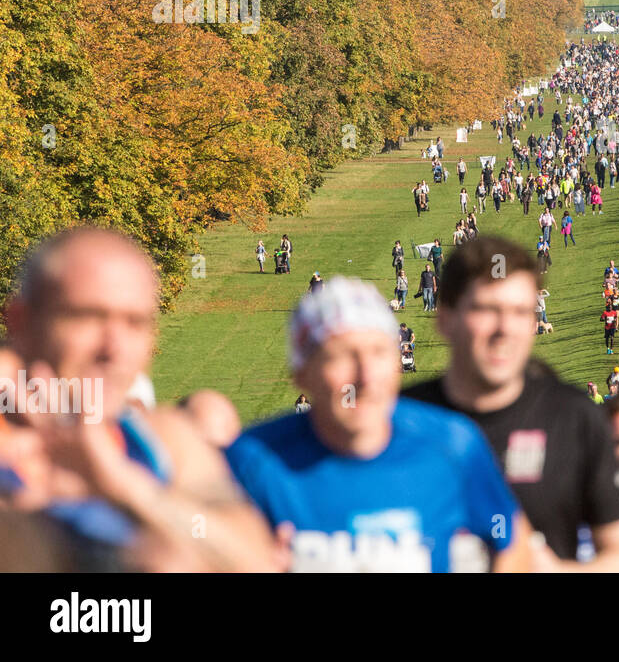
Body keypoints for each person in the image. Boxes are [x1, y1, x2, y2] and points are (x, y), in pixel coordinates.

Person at [0, 226, 279, 572]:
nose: (114, 349)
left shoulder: (162, 439)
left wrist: (125, 486)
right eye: (87, 316)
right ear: (21, 322)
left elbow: (255, 560)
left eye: (135, 323)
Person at [225, 276, 530, 572]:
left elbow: (513, 542)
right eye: (342, 356)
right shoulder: (251, 462)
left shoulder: (452, 445)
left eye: (379, 353)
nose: (365, 377)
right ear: (302, 374)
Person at [405, 237, 619, 572]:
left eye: (519, 312)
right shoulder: (401, 420)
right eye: (486, 309)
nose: (504, 329)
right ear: (445, 318)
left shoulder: (575, 418)